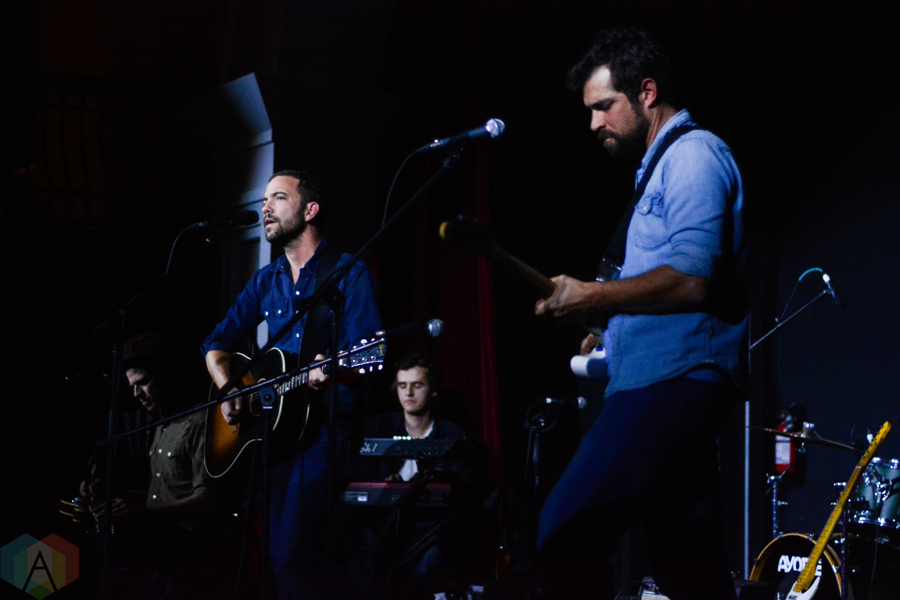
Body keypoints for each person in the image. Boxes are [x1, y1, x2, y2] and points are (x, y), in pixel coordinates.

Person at [534, 28, 747, 600]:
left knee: (563, 531)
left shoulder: (695, 154)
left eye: (604, 106)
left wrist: (593, 297)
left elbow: (692, 279)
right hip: (661, 380)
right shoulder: (654, 169)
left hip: (670, 385)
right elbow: (659, 286)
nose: (594, 124)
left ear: (646, 93)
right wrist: (609, 328)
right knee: (688, 563)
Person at [202, 170, 382, 600]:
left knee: (292, 554)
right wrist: (229, 390)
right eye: (264, 200)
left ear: (309, 210)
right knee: (278, 558)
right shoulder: (267, 280)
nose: (266, 207)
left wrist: (333, 371)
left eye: (278, 198)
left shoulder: (347, 274)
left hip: (325, 434)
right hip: (278, 437)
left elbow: (371, 357)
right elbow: (216, 343)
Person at [80, 333, 228, 597]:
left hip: (187, 547)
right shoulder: (161, 424)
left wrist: (140, 513)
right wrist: (115, 494)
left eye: (143, 382)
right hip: (158, 537)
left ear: (168, 375)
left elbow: (209, 502)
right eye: (132, 387)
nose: (136, 394)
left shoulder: (201, 423)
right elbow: (160, 495)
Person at [362, 353, 466, 483]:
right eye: (402, 385)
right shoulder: (379, 426)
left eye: (417, 386)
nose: (408, 393)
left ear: (433, 390)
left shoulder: (453, 434)